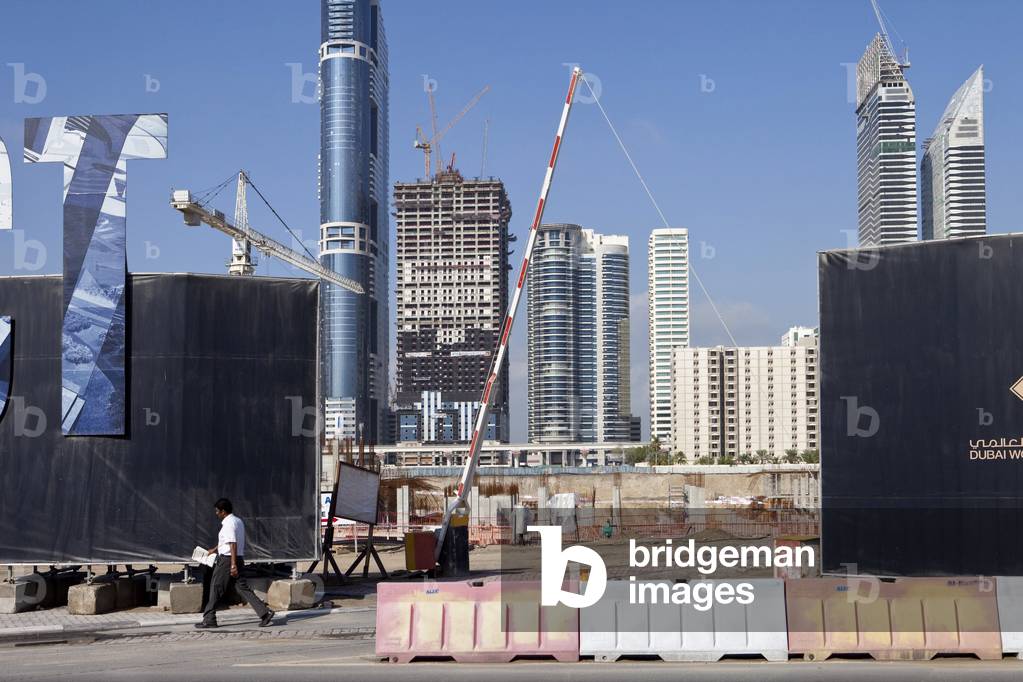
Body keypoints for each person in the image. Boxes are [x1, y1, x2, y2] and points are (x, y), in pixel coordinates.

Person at [195, 498, 275, 629]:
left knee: (216, 588)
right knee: (242, 588)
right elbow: (227, 541)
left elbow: (232, 543)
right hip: (237, 558)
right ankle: (265, 613)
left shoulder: (228, 523)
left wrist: (232, 565)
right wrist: (214, 550)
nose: (216, 514)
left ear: (223, 511)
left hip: (227, 560)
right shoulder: (237, 521)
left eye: (217, 511)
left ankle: (209, 619)